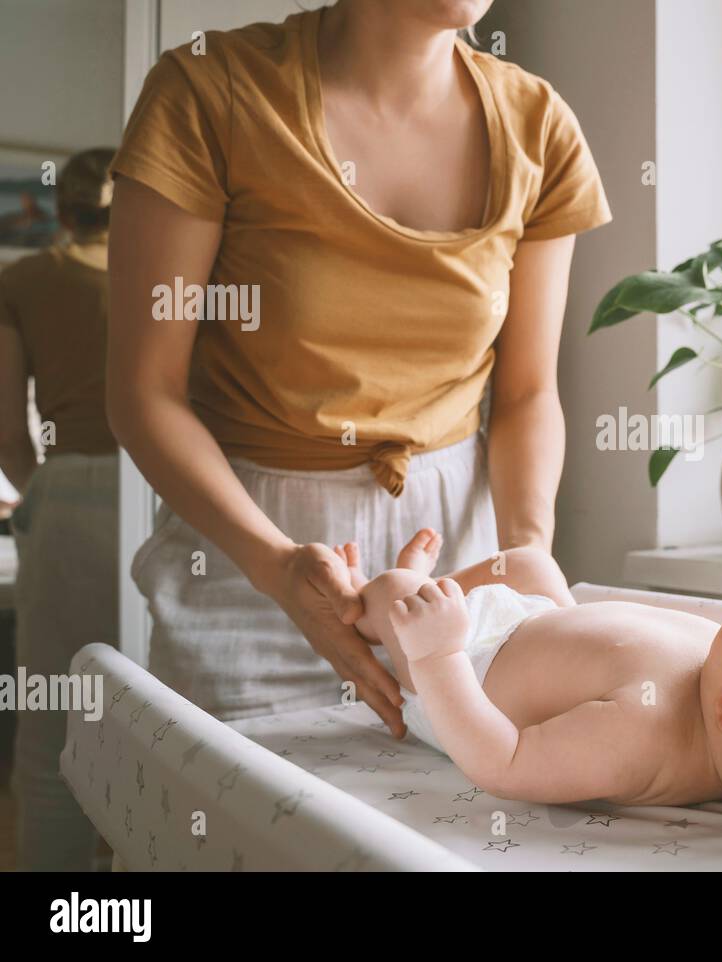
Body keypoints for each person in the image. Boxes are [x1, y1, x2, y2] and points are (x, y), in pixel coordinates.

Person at [106, 0, 611, 733]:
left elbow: (529, 391)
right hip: (250, 557)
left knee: (445, 834)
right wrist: (278, 566)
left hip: (451, 564)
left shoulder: (539, 123)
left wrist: (524, 556)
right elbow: (144, 393)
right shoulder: (211, 89)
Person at [334, 530, 722, 832]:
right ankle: (433, 586)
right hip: (538, 625)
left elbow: (504, 761)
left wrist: (438, 654)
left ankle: (368, 600)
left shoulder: (642, 737)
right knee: (528, 561)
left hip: (473, 672)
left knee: (394, 596)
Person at [0, 147, 119, 870]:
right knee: (188, 726)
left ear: (61, 209)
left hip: (75, 495)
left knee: (55, 734)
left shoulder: (23, 279)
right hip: (185, 494)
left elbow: (10, 435)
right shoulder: (180, 275)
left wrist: (46, 490)